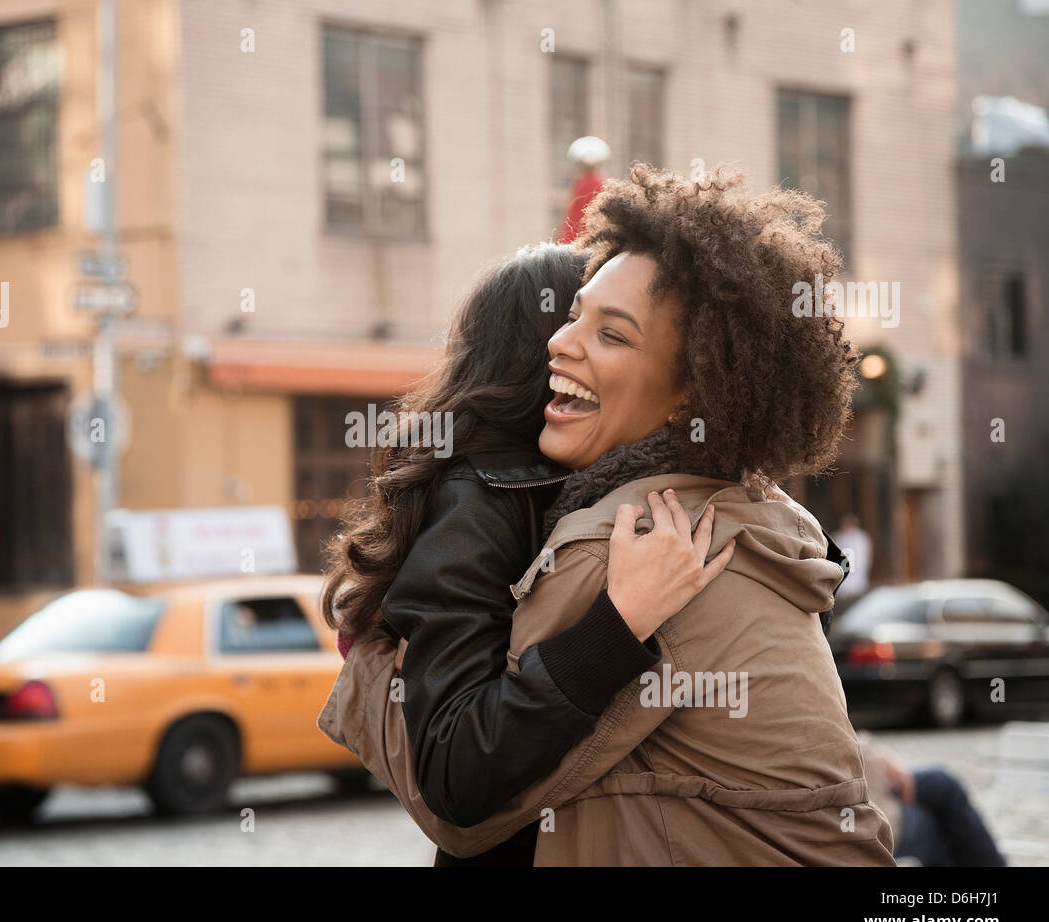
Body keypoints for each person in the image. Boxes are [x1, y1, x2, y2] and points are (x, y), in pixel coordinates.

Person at [336, 163, 895, 865]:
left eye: (614, 334)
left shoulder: (626, 543)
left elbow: (463, 801)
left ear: (694, 393)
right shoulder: (750, 515)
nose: (560, 346)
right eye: (573, 317)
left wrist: (613, 625)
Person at [321, 242, 731, 866]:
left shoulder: (594, 486)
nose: (576, 341)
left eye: (612, 331)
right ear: (538, 350)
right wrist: (619, 623)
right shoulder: (482, 498)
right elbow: (458, 766)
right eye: (576, 321)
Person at [860, 735, 1006, 866]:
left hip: (872, 778)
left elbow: (845, 731)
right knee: (936, 825)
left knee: (940, 781)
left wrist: (878, 752)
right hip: (867, 814)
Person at [556, 136, 610, 243]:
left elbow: (572, 216)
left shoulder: (579, 183)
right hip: (595, 237)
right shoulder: (601, 182)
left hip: (576, 237)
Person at [833, 513, 873, 602]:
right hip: (843, 577)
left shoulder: (861, 538)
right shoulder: (839, 537)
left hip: (857, 576)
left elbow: (864, 558)